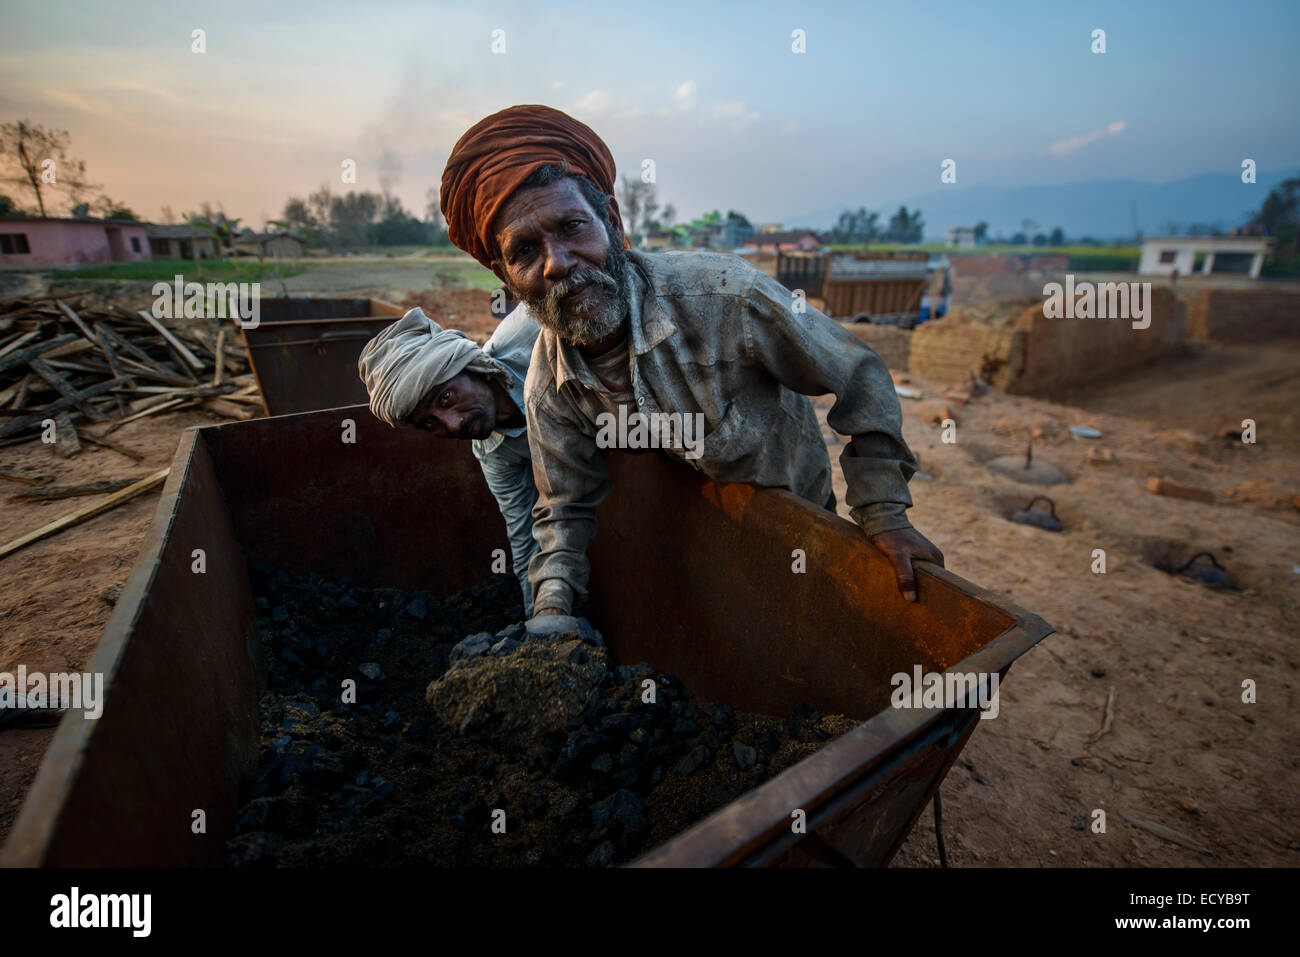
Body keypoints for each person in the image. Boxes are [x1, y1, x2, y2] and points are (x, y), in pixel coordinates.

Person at [440, 104, 944, 618]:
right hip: (700, 524)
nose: (557, 263)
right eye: (525, 251)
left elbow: (857, 374)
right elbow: (564, 509)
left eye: (572, 227)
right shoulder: (550, 387)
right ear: (507, 279)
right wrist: (552, 605)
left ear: (611, 221)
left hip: (797, 506)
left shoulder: (725, 296)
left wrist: (884, 512)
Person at [358, 305, 541, 615]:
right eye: (429, 423)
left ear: (468, 365)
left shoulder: (534, 332)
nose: (453, 425)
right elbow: (524, 536)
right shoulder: (492, 451)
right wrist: (540, 618)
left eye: (445, 398)